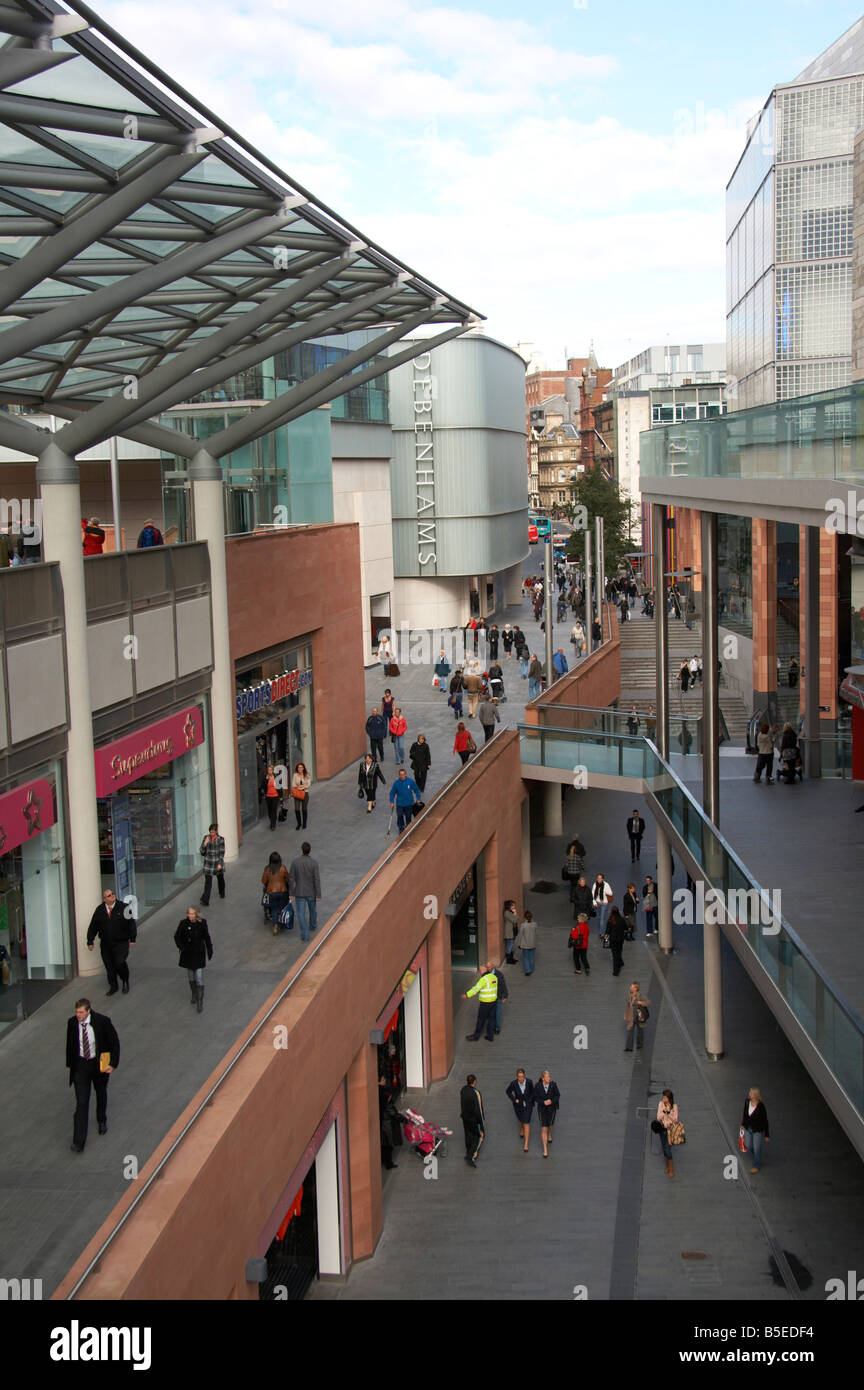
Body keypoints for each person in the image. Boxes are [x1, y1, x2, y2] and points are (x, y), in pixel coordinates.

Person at [66, 997, 119, 1151]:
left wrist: (113, 1064)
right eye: (77, 1012)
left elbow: (114, 1042)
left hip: (98, 1064)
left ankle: (101, 1119)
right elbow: (69, 1044)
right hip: (81, 1065)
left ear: (88, 1011)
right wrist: (70, 1064)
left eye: (81, 1012)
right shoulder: (72, 1023)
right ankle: (78, 1141)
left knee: (101, 1092)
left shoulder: (102, 1021)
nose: (78, 1015)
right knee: (82, 1102)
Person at [86, 889, 136, 996]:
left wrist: (132, 939)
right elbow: (93, 926)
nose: (112, 896)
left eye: (112, 894)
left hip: (121, 942)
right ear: (105, 899)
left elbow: (131, 923)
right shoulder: (99, 910)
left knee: (119, 962)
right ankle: (113, 986)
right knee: (109, 966)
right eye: (109, 895)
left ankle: (125, 981)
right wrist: (90, 941)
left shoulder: (124, 907)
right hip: (106, 943)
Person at [174, 906, 213, 1011]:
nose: (190, 916)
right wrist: (182, 947)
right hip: (188, 954)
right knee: (191, 976)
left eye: (192, 914)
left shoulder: (202, 923)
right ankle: (194, 993)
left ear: (196, 914)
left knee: (199, 978)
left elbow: (207, 937)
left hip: (199, 953)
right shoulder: (183, 923)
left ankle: (200, 1002)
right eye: (189, 913)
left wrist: (210, 949)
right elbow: (177, 936)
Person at [289, 842, 321, 943]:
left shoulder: (295, 862)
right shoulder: (314, 863)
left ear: (301, 850)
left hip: (299, 892)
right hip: (311, 892)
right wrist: (318, 894)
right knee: (312, 910)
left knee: (301, 914)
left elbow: (291, 879)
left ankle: (305, 934)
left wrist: (291, 893)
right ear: (310, 850)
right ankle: (312, 926)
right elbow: (317, 879)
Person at [463, 960, 498, 1041]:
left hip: (485, 1003)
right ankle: (490, 1036)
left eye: (480, 970)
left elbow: (475, 989)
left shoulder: (483, 980)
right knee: (491, 1019)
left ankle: (476, 1036)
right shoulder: (494, 977)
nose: (479, 972)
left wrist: (467, 995)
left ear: (483, 970)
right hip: (493, 1002)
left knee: (481, 1019)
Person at [261, 851, 291, 936]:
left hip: (272, 892)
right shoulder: (283, 868)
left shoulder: (267, 869)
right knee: (281, 908)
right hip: (282, 891)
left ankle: (275, 925)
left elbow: (263, 881)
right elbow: (288, 878)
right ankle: (282, 923)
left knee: (274, 909)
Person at [741, 1086, 770, 1174]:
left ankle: (756, 1165)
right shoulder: (747, 1102)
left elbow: (765, 1120)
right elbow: (745, 1114)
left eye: (751, 1093)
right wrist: (742, 1124)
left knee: (757, 1147)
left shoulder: (761, 1106)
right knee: (748, 1145)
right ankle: (758, 1156)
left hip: (757, 1130)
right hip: (748, 1128)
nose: (749, 1094)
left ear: (755, 1095)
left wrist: (767, 1134)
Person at [505, 1069, 535, 1152]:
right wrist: (514, 1100)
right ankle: (521, 1129)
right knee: (520, 1120)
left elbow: (533, 1092)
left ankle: (526, 1144)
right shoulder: (514, 1083)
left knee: (526, 1123)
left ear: (524, 1076)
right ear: (517, 1077)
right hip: (518, 1106)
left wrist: (530, 1100)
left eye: (522, 1077)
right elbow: (508, 1091)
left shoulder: (529, 1082)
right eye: (519, 1077)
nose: (521, 1079)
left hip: (528, 1106)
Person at [460, 1074, 485, 1167]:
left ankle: (468, 1152)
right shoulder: (476, 1093)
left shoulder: (463, 1089)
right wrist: (482, 1122)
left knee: (468, 1135)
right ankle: (472, 1156)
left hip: (465, 1117)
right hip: (474, 1120)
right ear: (474, 1081)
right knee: (479, 1137)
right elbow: (478, 1109)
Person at [534, 1070, 560, 1158]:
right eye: (547, 1077)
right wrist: (543, 1102)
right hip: (542, 1110)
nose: (549, 1078)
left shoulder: (553, 1085)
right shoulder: (537, 1086)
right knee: (543, 1128)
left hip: (551, 1109)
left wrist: (551, 1101)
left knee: (550, 1125)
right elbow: (535, 1097)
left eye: (549, 1076)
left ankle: (550, 1134)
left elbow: (558, 1095)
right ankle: (545, 1149)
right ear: (543, 1078)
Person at [199, 822, 225, 906]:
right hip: (208, 863)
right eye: (210, 832)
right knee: (208, 881)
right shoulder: (206, 838)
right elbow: (202, 852)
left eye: (213, 832)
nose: (211, 834)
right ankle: (206, 900)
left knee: (220, 878)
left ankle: (222, 892)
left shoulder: (221, 839)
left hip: (217, 861)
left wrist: (220, 863)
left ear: (216, 832)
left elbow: (222, 853)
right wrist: (204, 844)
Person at [378, 1077, 402, 1170]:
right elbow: (395, 1116)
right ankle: (389, 1164)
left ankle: (385, 1161)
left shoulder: (381, 1103)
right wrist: (404, 1118)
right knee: (389, 1147)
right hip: (387, 1129)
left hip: (382, 1128)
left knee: (384, 1147)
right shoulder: (388, 1106)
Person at [654, 1088, 679, 1177]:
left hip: (671, 1130)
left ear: (669, 1098)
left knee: (668, 1150)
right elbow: (658, 1117)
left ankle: (672, 1169)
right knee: (664, 1148)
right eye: (663, 1097)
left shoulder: (674, 1106)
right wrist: (664, 1112)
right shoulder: (661, 1104)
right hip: (662, 1130)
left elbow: (676, 1120)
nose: (663, 1099)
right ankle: (667, 1167)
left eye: (665, 1097)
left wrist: (670, 1113)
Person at [389, 767, 421, 833]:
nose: (402, 776)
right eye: (400, 775)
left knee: (408, 816)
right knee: (399, 816)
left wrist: (418, 799)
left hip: (409, 803)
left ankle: (408, 828)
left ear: (405, 774)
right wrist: (391, 802)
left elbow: (416, 790)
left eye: (403, 774)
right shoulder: (396, 783)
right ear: (399, 775)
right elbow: (392, 793)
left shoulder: (410, 781)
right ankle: (401, 828)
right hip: (400, 804)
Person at [624, 979, 650, 1049]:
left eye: (632, 987)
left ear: (636, 988)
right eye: (630, 986)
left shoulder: (640, 996)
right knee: (630, 1032)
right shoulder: (629, 995)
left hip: (639, 1017)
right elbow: (627, 1006)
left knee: (640, 1032)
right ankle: (629, 1047)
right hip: (632, 1017)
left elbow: (648, 1002)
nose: (630, 988)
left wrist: (641, 1003)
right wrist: (626, 1015)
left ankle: (639, 1045)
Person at [514, 910, 537, 975]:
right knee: (532, 957)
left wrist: (518, 944)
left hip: (525, 944)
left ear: (525, 917)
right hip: (532, 944)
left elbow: (520, 935)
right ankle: (531, 969)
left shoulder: (523, 925)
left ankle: (527, 970)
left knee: (525, 958)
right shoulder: (535, 924)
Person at [607, 907, 627, 977]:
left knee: (615, 955)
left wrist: (606, 939)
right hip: (620, 939)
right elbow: (626, 928)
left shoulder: (610, 920)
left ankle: (616, 971)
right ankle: (621, 962)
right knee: (619, 951)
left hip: (613, 940)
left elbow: (607, 931)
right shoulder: (622, 920)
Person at [291, 761, 311, 830]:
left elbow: (308, 784)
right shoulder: (295, 775)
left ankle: (304, 823)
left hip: (305, 793)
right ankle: (299, 824)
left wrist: (300, 787)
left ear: (303, 768)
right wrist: (301, 786)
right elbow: (293, 784)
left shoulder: (307, 775)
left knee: (304, 809)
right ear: (297, 768)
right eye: (298, 767)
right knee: (297, 809)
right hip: (297, 793)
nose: (300, 768)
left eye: (301, 767)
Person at [491, 960, 508, 1034]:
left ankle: (497, 1028)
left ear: (492, 967)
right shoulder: (486, 974)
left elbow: (503, 985)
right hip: (490, 997)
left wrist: (505, 996)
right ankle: (492, 1026)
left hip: (497, 996)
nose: (487, 968)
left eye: (488, 967)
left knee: (497, 1012)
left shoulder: (499, 974)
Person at [263, 763, 281, 830]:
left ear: (273, 770)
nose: (269, 771)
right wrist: (266, 780)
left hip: (275, 796)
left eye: (270, 770)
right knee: (269, 811)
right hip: (268, 796)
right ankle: (271, 821)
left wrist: (281, 796)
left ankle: (273, 825)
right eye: (268, 770)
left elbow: (280, 787)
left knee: (274, 810)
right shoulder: (265, 777)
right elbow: (263, 786)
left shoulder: (276, 777)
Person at [503, 899, 519, 964]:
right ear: (508, 906)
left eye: (514, 905)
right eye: (512, 905)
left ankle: (512, 958)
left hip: (512, 932)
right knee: (509, 946)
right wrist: (515, 914)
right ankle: (509, 960)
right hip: (509, 933)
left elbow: (516, 920)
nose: (514, 907)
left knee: (512, 946)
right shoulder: (506, 913)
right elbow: (515, 920)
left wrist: (515, 915)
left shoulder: (510, 912)